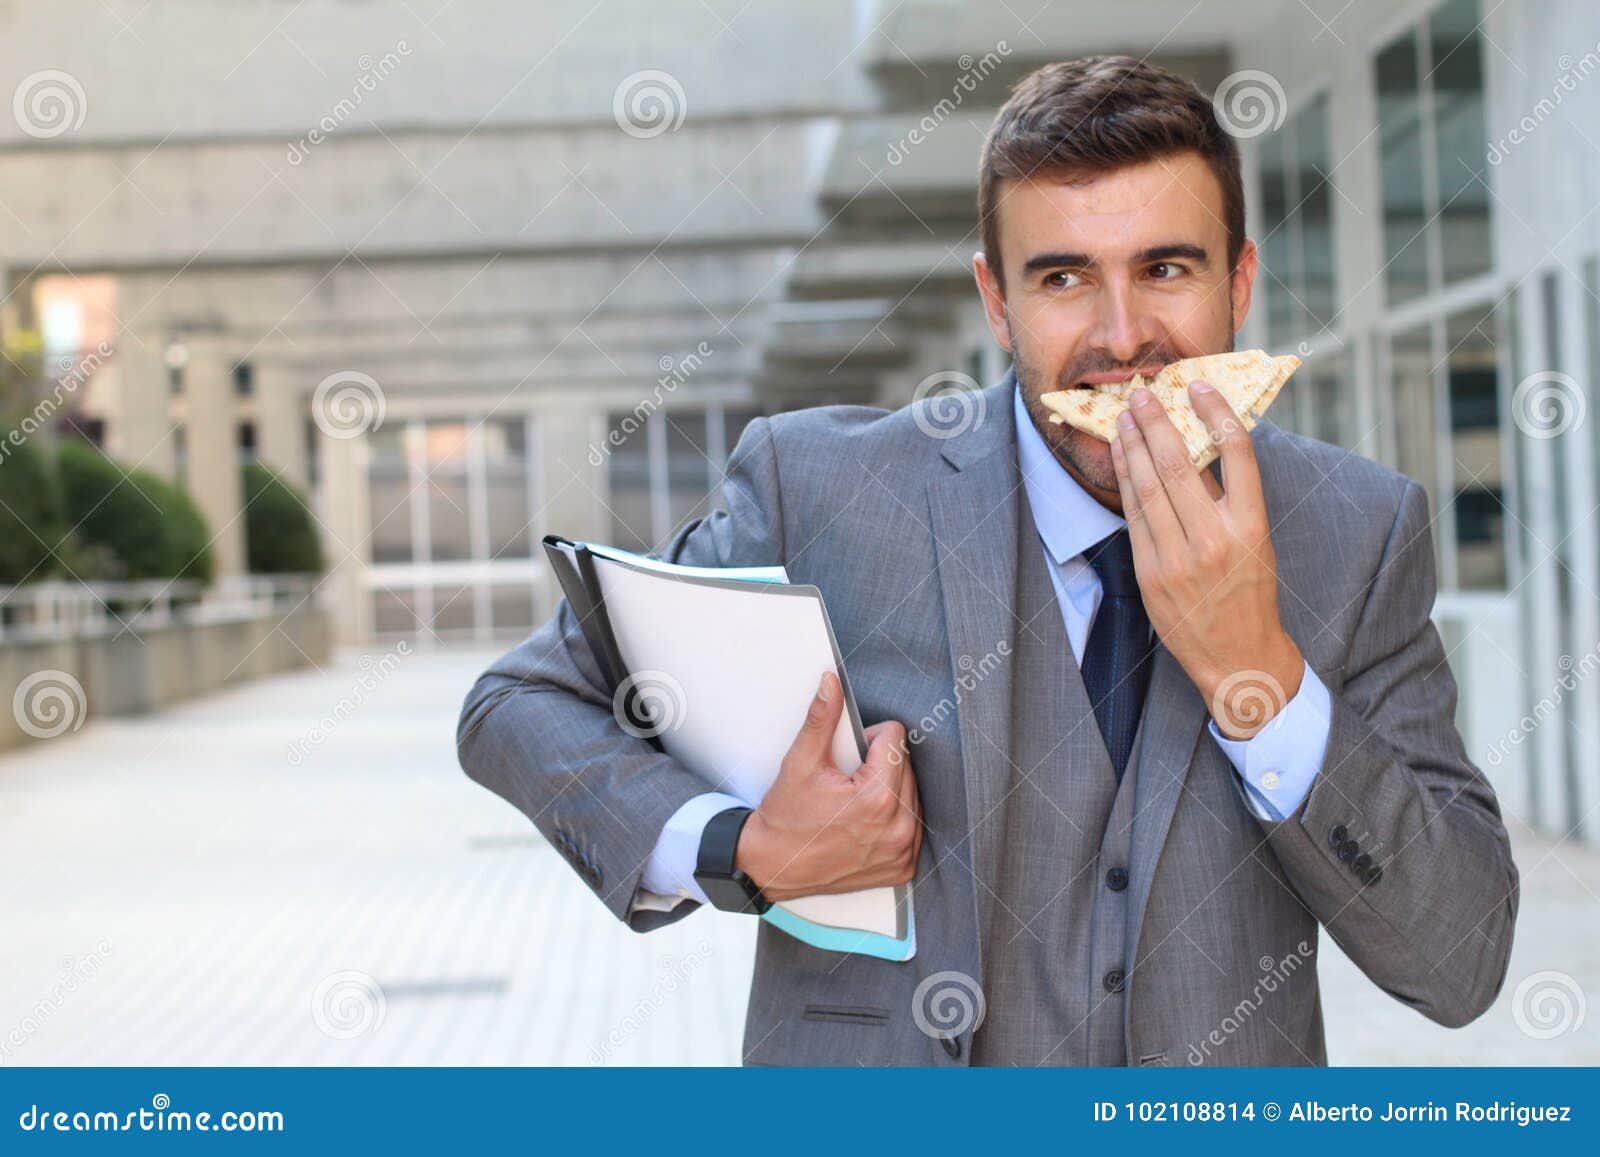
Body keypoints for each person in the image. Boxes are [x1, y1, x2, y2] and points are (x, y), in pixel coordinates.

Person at [457, 55, 1519, 1066]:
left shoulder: (1355, 529)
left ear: (1238, 281)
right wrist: (742, 847)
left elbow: (1459, 955)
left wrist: (1263, 681)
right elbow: (517, 703)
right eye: (1063, 277)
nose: (1121, 336)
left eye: (1165, 267)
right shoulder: (824, 492)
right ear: (995, 300)